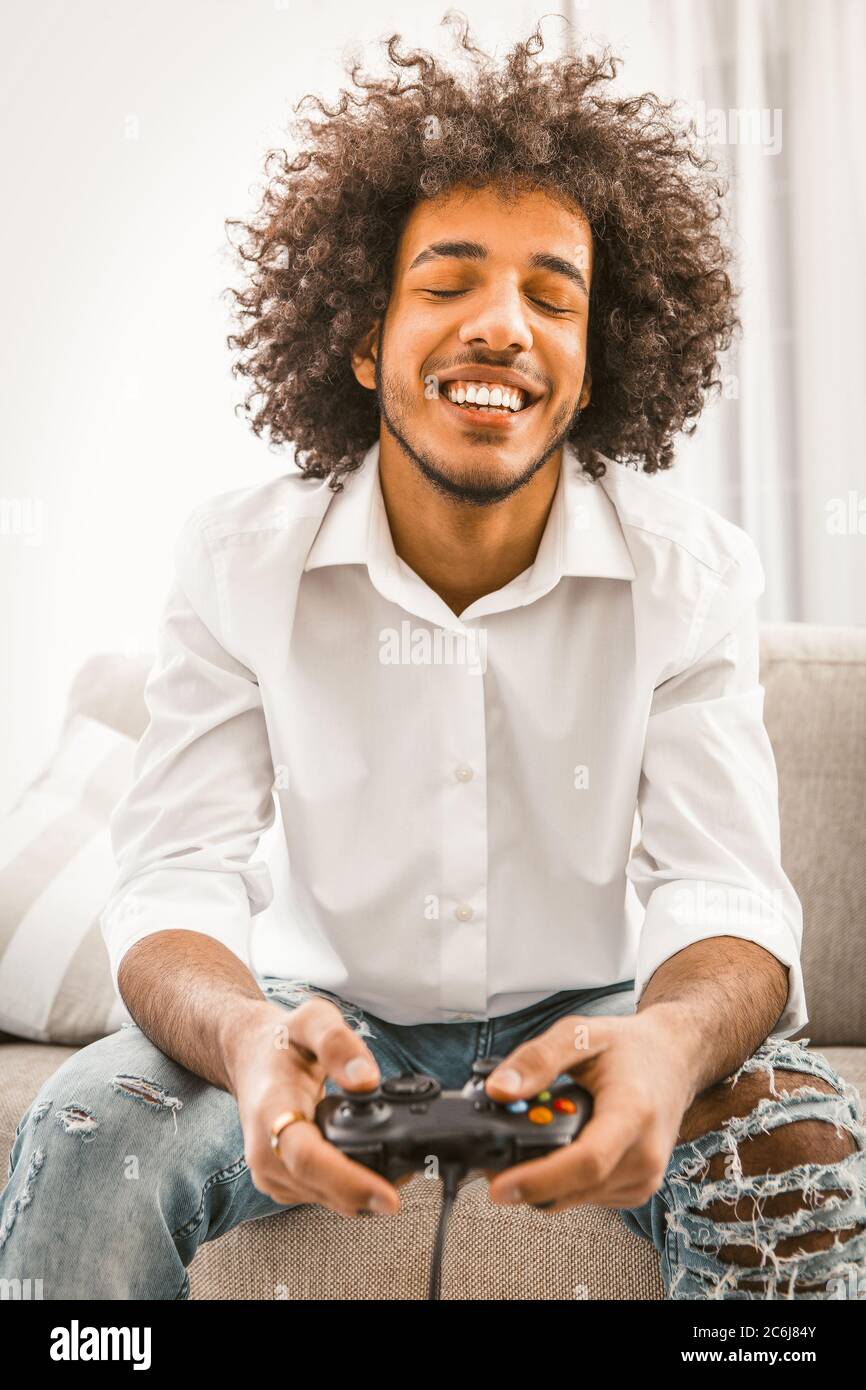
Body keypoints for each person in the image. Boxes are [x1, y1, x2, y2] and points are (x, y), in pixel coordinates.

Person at [2, 19, 864, 1301]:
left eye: (552, 297)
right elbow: (177, 869)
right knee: (89, 1132)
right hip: (321, 1026)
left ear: (593, 365)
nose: (502, 327)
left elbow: (720, 886)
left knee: (790, 1144)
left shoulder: (690, 574)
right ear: (364, 338)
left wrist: (670, 1040)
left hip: (590, 1021)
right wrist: (245, 1034)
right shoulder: (238, 561)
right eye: (448, 282)